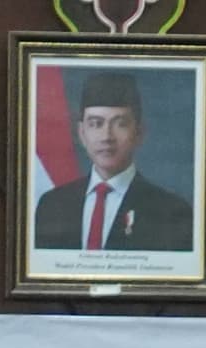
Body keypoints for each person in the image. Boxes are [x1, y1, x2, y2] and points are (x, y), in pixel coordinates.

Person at [33, 68, 193, 254]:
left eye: (120, 123)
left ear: (139, 133)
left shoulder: (171, 213)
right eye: (96, 123)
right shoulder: (52, 205)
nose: (107, 136)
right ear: (82, 133)